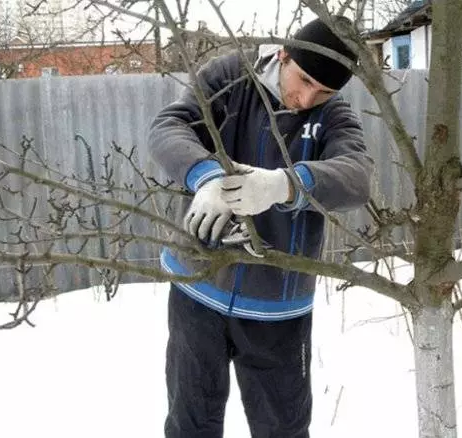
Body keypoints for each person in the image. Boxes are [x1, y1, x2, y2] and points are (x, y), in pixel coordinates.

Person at [148, 16, 373, 438]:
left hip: (278, 306)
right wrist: (205, 176)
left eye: (324, 91)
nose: (307, 97)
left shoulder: (333, 115)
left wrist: (285, 184)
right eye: (303, 79)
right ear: (283, 54)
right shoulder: (231, 76)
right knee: (188, 425)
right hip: (197, 284)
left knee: (283, 430)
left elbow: (358, 175)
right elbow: (170, 125)